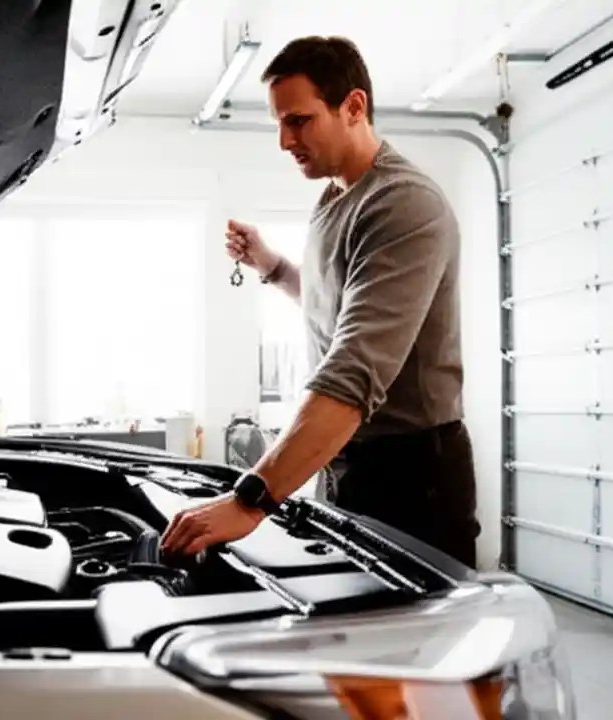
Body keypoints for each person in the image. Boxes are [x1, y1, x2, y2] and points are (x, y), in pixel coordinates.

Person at [160, 36, 480, 567]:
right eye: (279, 124)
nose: (285, 140)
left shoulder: (404, 205)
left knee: (409, 643)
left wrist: (252, 497)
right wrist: (273, 266)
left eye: (299, 120)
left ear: (353, 107)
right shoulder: (334, 199)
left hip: (413, 473)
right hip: (348, 459)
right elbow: (337, 308)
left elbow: (353, 369)